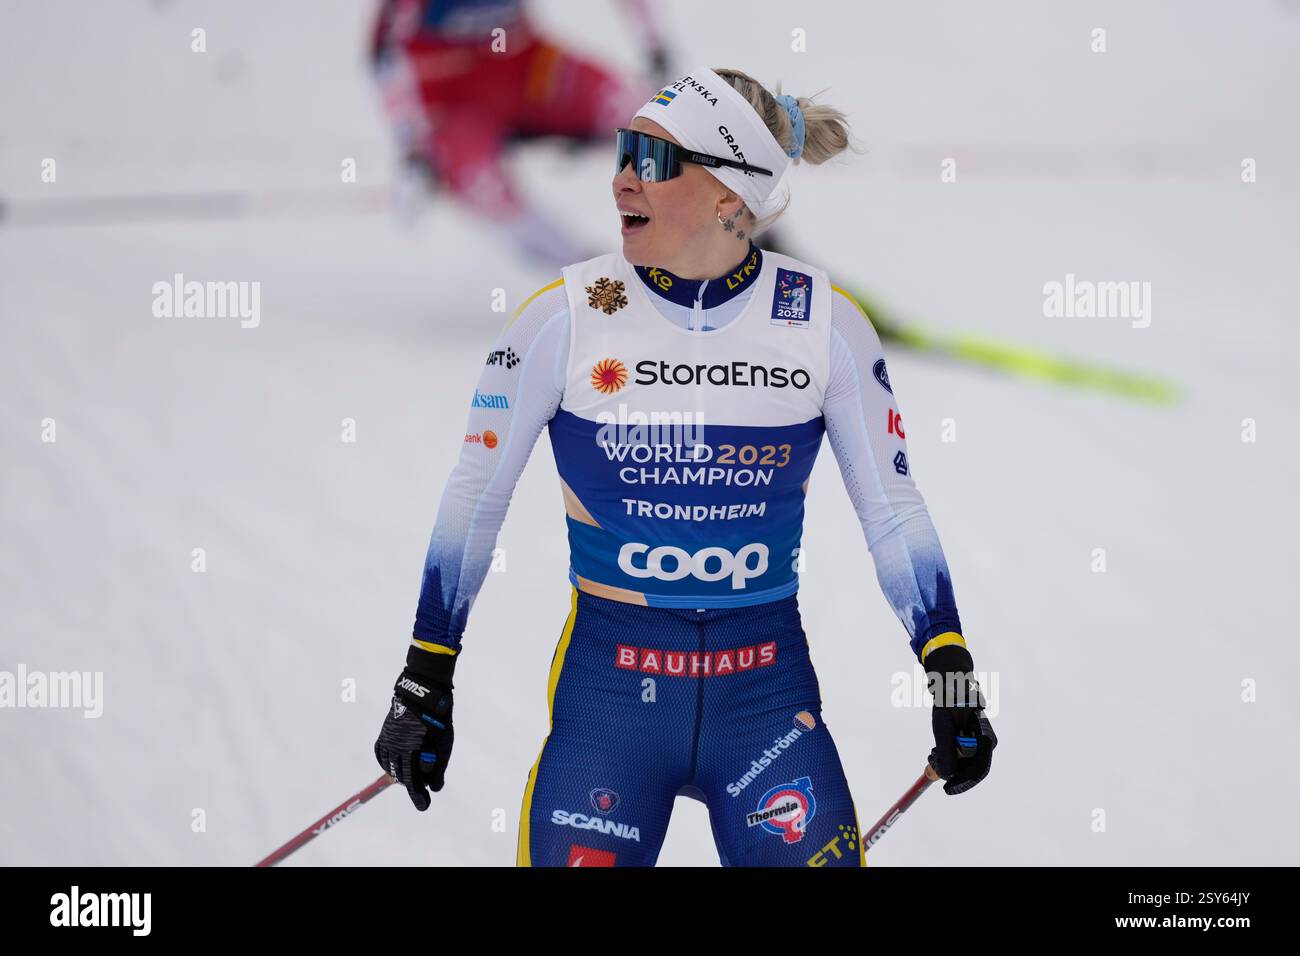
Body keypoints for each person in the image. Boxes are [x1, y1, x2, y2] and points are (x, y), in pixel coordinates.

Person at [374, 66, 997, 867]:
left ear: (731, 198)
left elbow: (893, 511)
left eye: (656, 160)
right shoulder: (563, 318)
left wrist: (948, 672)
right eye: (626, 149)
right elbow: (473, 499)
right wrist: (426, 675)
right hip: (610, 707)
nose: (622, 178)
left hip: (766, 705)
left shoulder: (822, 324)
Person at [369, 0, 668, 269]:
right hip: (454, 102)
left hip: (528, 68)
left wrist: (653, 42)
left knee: (645, 115)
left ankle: (699, 229)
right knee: (486, 190)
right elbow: (385, 57)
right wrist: (413, 148)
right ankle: (595, 275)